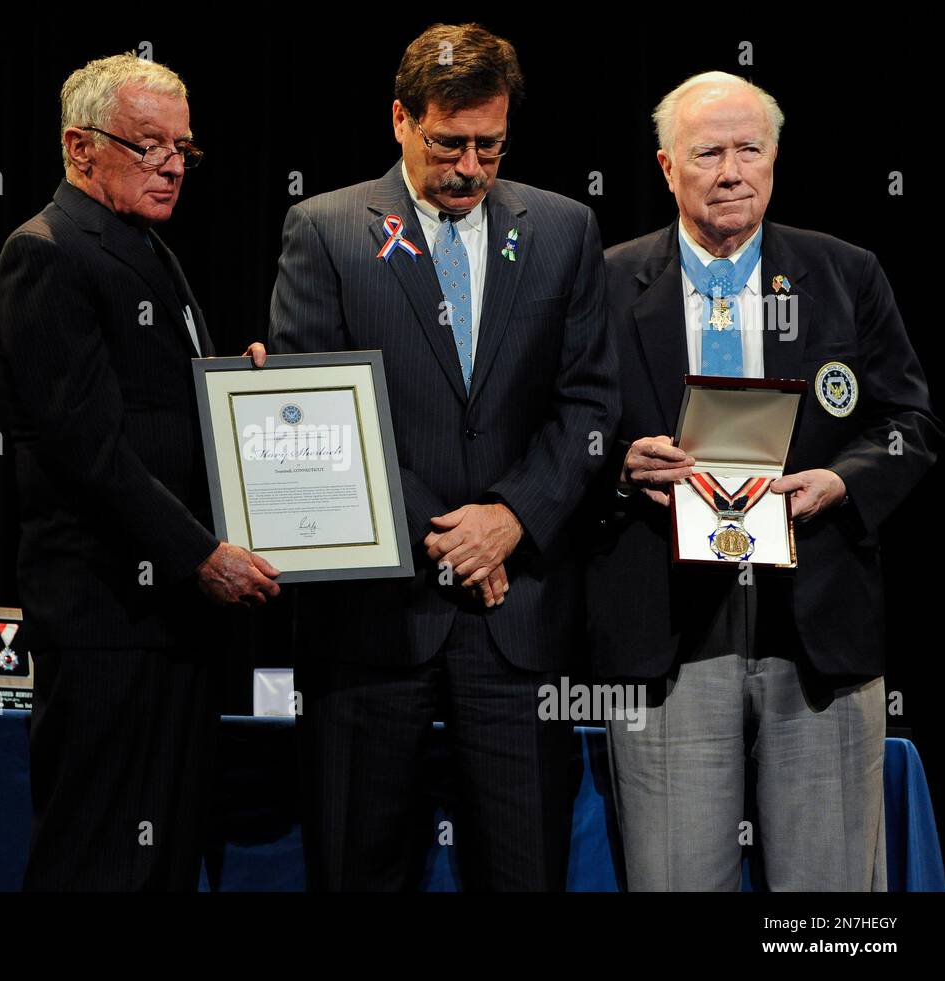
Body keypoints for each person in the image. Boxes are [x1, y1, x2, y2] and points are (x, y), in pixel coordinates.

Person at [268, 23, 617, 890]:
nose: (468, 168)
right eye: (447, 144)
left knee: (524, 870)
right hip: (374, 627)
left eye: (489, 148)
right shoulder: (326, 228)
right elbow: (318, 414)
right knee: (357, 867)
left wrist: (511, 519)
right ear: (399, 119)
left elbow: (589, 404)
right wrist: (454, 536)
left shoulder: (565, 230)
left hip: (518, 627)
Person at [587, 71, 941, 890]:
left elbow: (910, 422)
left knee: (826, 916)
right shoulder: (602, 283)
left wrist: (843, 482)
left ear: (775, 159)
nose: (731, 170)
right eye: (707, 152)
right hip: (666, 633)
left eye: (750, 149)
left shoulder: (846, 274)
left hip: (814, 626)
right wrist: (619, 465)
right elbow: (563, 433)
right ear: (667, 167)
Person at [0, 53, 277, 891]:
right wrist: (202, 554)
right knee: (96, 857)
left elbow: (148, 407)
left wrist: (236, 392)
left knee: (161, 858)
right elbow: (89, 450)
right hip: (105, 616)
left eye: (183, 148)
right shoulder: (45, 252)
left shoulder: (142, 245)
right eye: (150, 146)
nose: (174, 165)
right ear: (81, 148)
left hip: (166, 621)